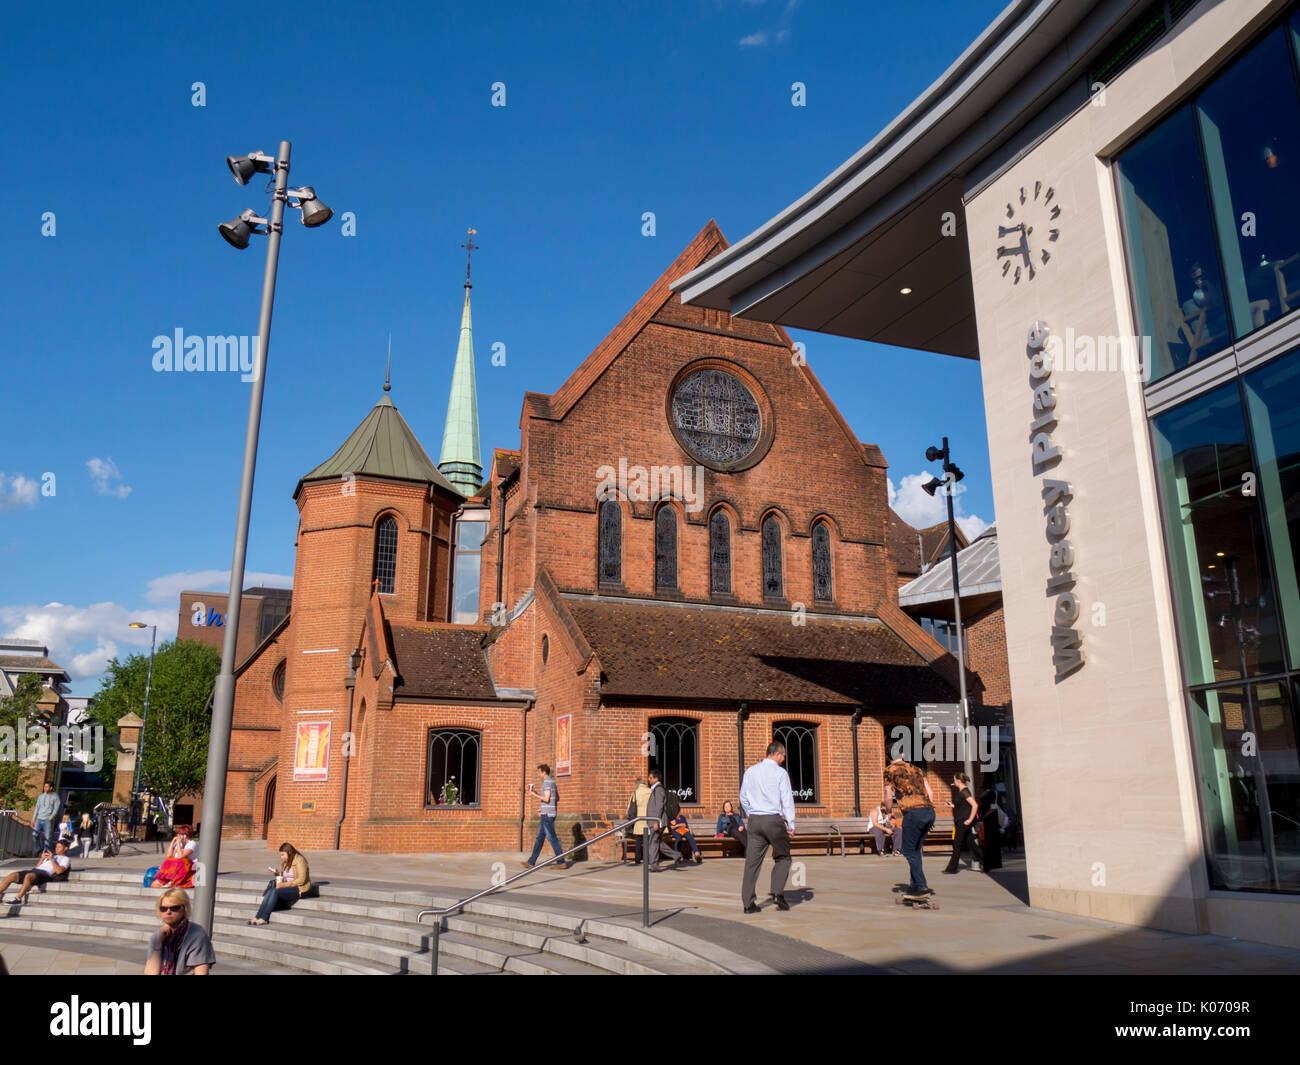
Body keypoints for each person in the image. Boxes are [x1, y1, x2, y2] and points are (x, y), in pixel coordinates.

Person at [738, 740, 795, 913]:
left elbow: (743, 797)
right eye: (783, 755)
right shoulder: (780, 773)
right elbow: (787, 799)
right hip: (773, 820)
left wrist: (750, 813)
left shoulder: (750, 771)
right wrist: (791, 823)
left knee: (752, 863)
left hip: (755, 820)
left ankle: (748, 904)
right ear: (777, 754)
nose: (784, 759)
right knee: (783, 857)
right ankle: (778, 894)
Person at [883, 754, 936, 898]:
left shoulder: (890, 770)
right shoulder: (917, 769)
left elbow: (888, 796)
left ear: (888, 756)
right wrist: (927, 813)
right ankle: (914, 885)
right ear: (902, 755)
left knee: (908, 851)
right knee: (916, 850)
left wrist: (888, 812)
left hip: (913, 813)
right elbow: (930, 792)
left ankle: (921, 886)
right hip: (929, 811)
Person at [145, 888, 215, 975]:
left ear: (184, 909)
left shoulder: (196, 934)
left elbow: (201, 972)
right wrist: (158, 944)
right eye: (163, 908)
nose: (168, 912)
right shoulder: (157, 936)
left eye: (174, 908)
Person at [248, 843, 313, 925]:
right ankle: (257, 916)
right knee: (271, 890)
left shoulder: (300, 861)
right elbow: (286, 877)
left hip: (299, 889)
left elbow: (301, 880)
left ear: (289, 852)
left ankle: (264, 918)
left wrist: (284, 885)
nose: (281, 857)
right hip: (288, 886)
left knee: (275, 891)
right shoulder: (287, 861)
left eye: (283, 855)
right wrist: (278, 873)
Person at [522, 763, 570, 869]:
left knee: (552, 838)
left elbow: (547, 798)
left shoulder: (547, 782)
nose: (538, 774)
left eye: (539, 772)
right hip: (547, 813)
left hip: (547, 815)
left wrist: (533, 794)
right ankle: (531, 861)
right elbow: (556, 798)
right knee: (540, 838)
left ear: (544, 772)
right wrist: (543, 808)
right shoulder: (552, 782)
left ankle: (561, 861)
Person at [1, 840, 70, 904]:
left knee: (28, 876)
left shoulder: (65, 859)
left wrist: (51, 859)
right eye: (56, 847)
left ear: (66, 848)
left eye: (59, 847)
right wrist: (42, 859)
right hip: (35, 871)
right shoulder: (52, 855)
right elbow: (37, 867)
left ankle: (18, 898)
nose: (56, 848)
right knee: (12, 875)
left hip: (44, 874)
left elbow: (59, 871)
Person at [943, 772, 983, 874]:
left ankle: (952, 868)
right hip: (961, 821)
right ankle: (985, 861)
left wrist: (970, 819)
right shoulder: (961, 791)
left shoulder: (965, 791)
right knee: (971, 843)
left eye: (954, 779)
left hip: (963, 822)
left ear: (958, 780)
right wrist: (952, 805)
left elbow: (974, 805)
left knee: (956, 844)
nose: (953, 782)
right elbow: (962, 806)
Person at [644, 770, 682, 870]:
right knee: (657, 842)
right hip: (655, 821)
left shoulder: (659, 790)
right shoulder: (656, 789)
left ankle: (654, 865)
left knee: (653, 842)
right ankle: (676, 855)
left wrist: (656, 821)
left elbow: (659, 807)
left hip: (656, 821)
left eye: (650, 778)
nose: (649, 779)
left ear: (656, 778)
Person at [31, 782, 61, 856]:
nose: (45, 788)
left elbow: (56, 809)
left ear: (51, 788)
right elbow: (37, 808)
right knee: (34, 834)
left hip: (47, 819)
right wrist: (33, 819)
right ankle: (38, 849)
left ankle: (46, 852)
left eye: (47, 787)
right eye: (44, 787)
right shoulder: (41, 796)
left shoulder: (55, 797)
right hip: (39, 818)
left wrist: (50, 818)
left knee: (47, 837)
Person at [626, 776, 651, 863]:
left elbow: (631, 808)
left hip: (639, 819)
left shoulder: (635, 793)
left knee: (638, 840)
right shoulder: (650, 791)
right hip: (649, 819)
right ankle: (648, 858)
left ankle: (637, 859)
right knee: (648, 840)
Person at [979, 787, 1003, 871]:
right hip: (992, 819)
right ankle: (992, 864)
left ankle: (988, 865)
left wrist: (983, 817)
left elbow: (993, 807)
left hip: (990, 819)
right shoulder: (994, 792)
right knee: (991, 842)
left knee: (989, 843)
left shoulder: (991, 793)